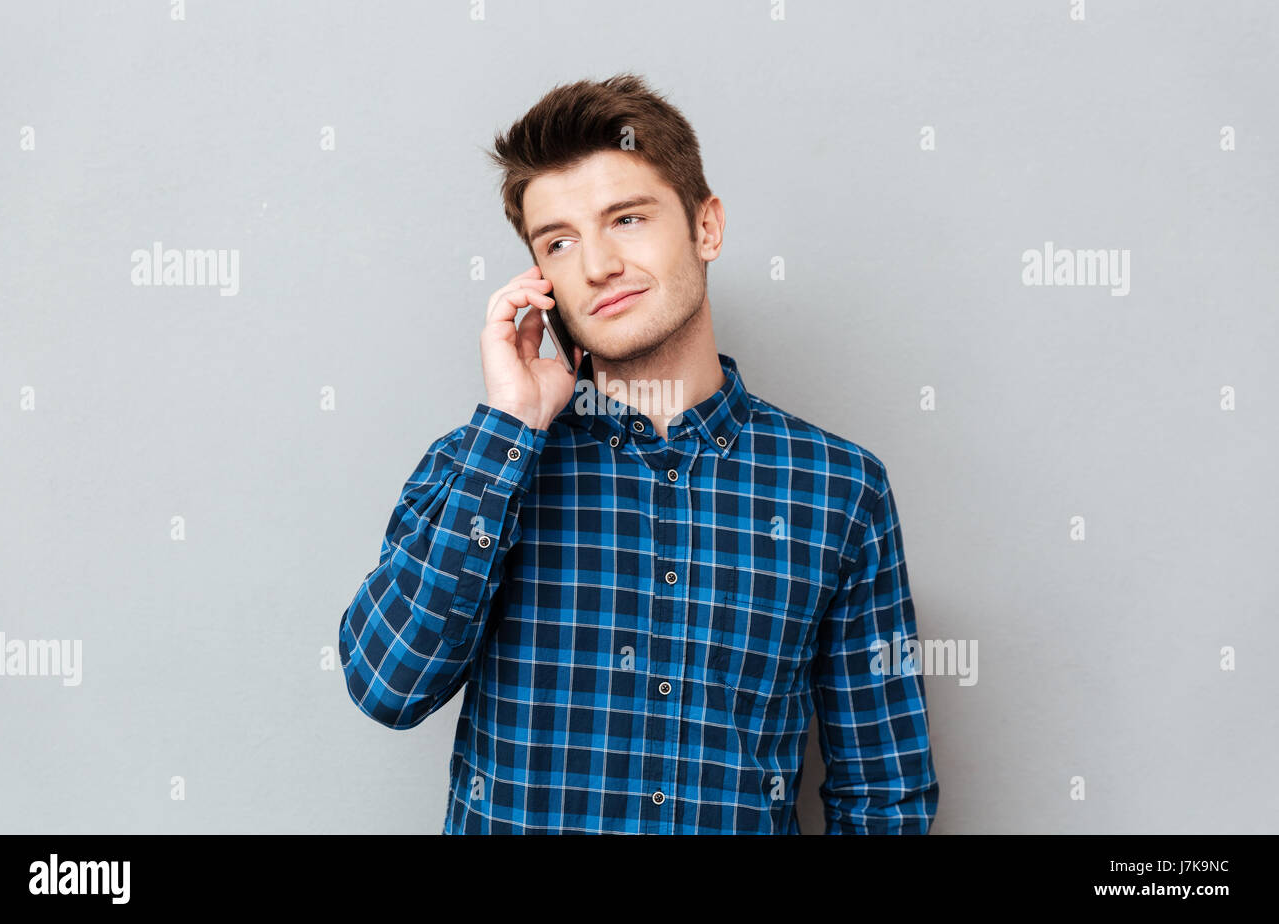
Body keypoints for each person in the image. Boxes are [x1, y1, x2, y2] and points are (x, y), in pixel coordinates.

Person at [338, 73, 939, 834]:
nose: (596, 266)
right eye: (558, 241)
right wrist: (511, 429)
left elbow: (882, 791)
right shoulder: (476, 464)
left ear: (707, 227)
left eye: (626, 219)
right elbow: (389, 686)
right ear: (540, 279)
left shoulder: (840, 489)